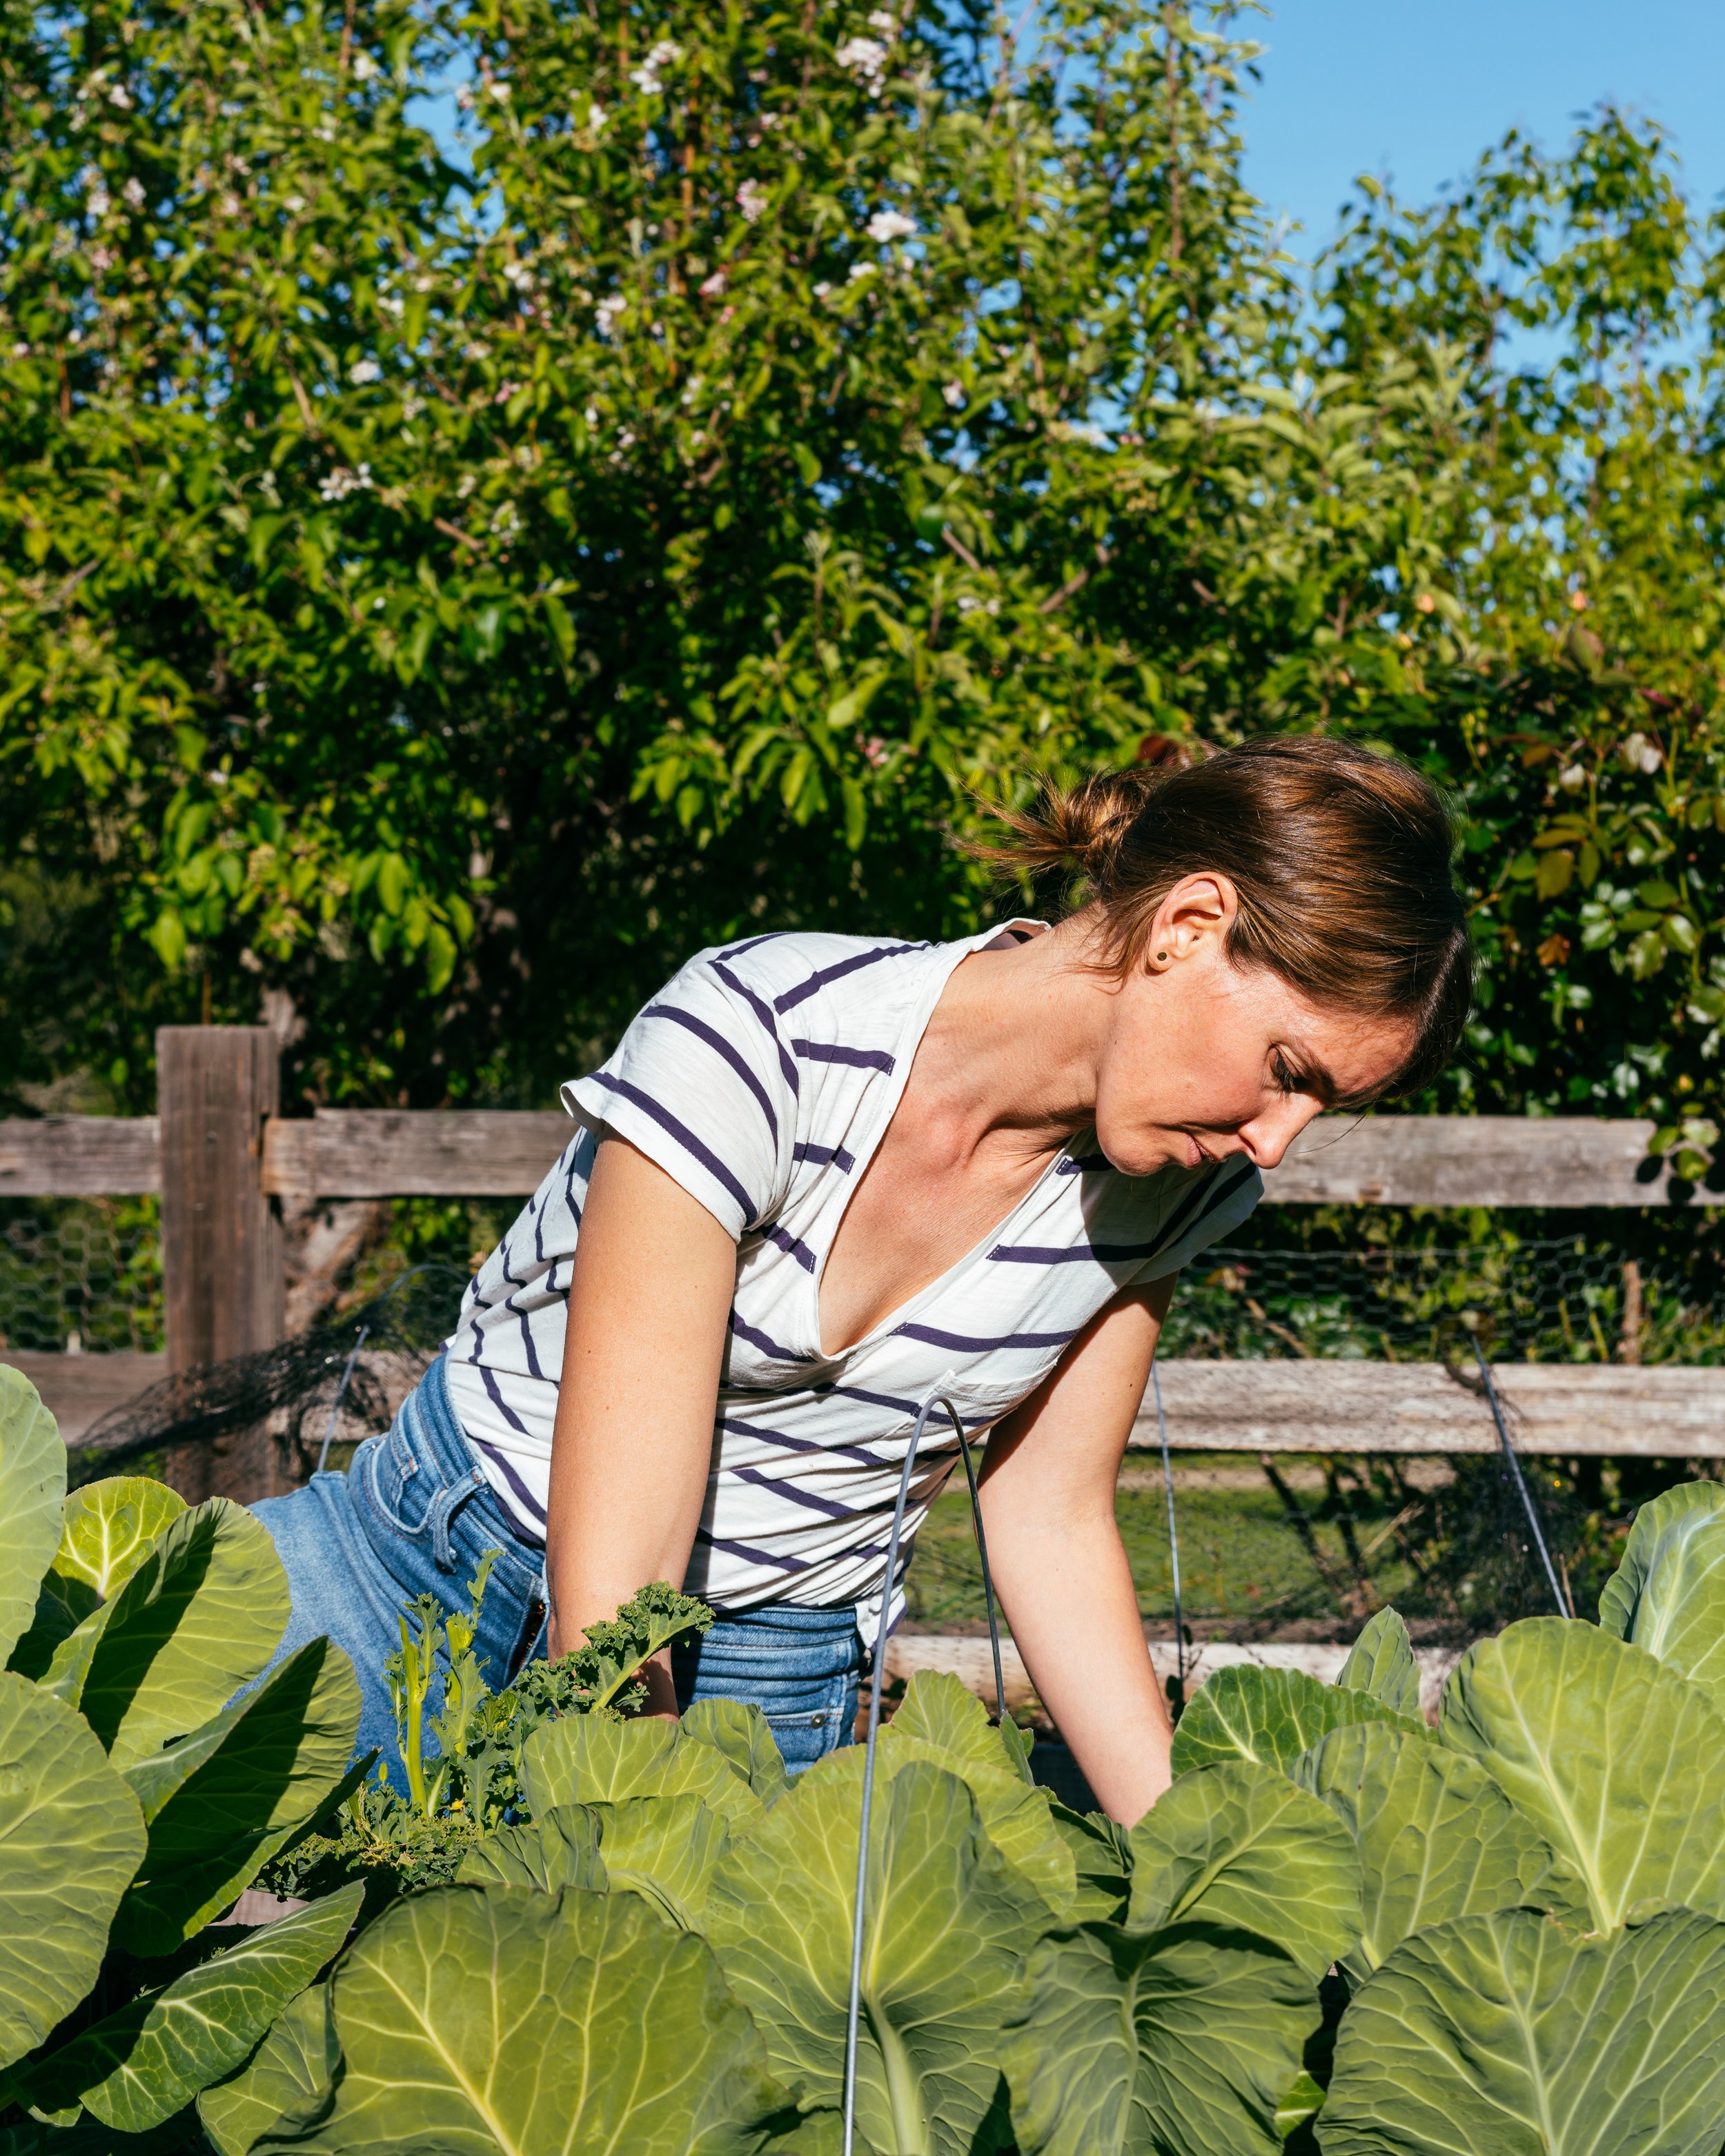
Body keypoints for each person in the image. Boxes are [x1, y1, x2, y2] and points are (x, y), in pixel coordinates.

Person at [253, 736, 1470, 1823]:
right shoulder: (762, 1034)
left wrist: (1198, 1864)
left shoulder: (1178, 1185)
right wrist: (647, 1835)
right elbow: (611, 1601)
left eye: (1325, 1106)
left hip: (774, 1679)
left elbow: (1047, 1518)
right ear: (1187, 926)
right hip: (419, 1586)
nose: (1277, 1142)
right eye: (1287, 1068)